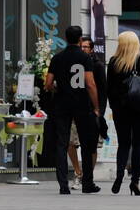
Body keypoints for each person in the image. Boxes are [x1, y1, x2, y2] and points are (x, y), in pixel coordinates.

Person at [43, 25, 101, 195]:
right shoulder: (85, 58)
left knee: (62, 143)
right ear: (80, 39)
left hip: (61, 104)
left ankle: (63, 185)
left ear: (66, 38)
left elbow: (48, 83)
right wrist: (96, 106)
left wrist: (57, 89)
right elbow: (90, 83)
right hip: (81, 104)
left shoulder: (57, 57)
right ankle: (87, 183)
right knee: (86, 143)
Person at [107, 31, 140, 196]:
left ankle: (120, 176)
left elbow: (109, 89)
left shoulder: (114, 62)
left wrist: (115, 107)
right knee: (138, 144)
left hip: (121, 110)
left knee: (123, 144)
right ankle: (135, 181)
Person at [64, 35, 109, 183]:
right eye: (81, 46)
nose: (82, 49)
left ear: (91, 49)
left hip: (91, 110)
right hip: (75, 108)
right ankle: (78, 171)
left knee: (92, 145)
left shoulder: (98, 66)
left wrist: (99, 111)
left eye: (85, 47)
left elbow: (102, 90)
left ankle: (87, 174)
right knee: (71, 142)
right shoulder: (72, 62)